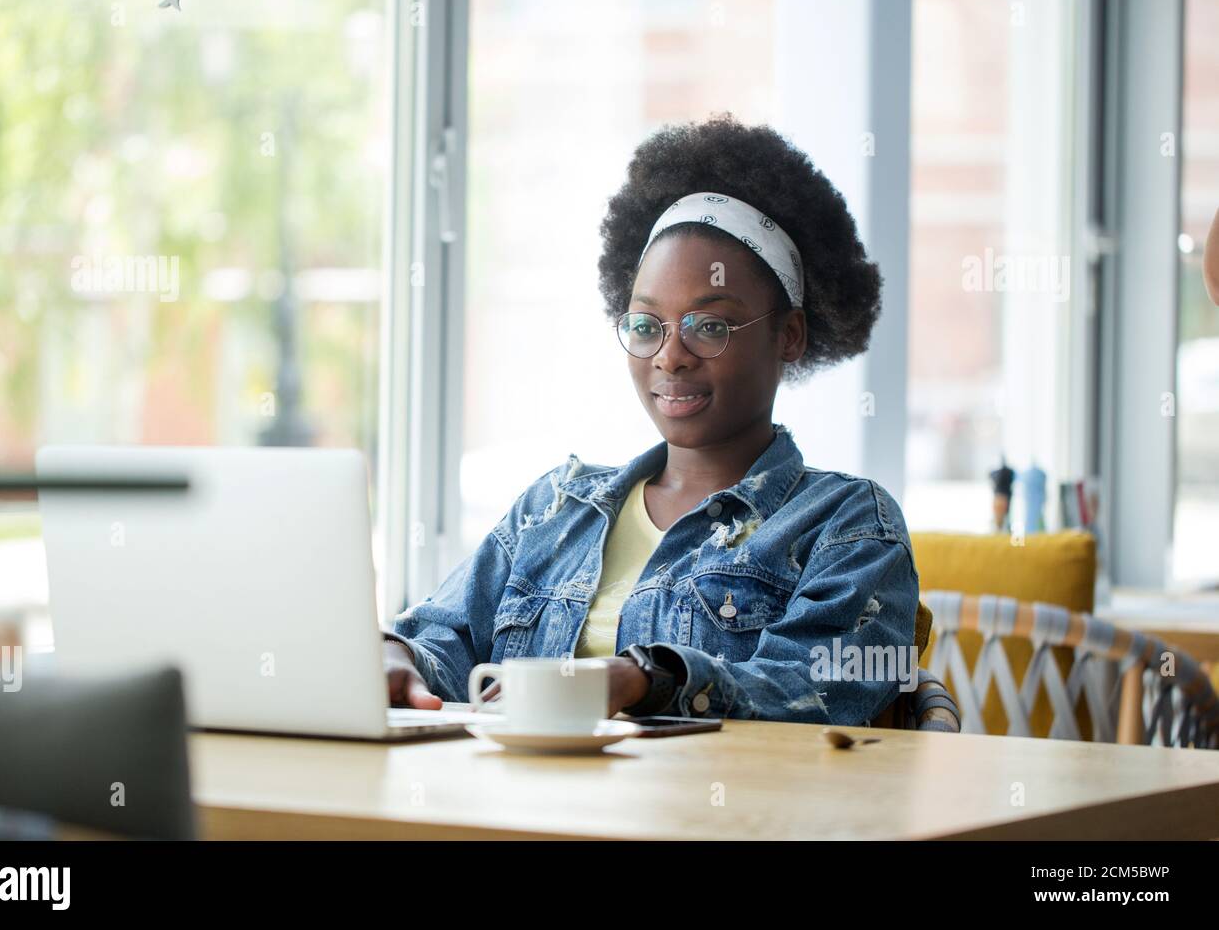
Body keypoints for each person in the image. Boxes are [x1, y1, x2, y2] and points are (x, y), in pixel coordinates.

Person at [383, 114, 919, 725]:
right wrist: (397, 658)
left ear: (789, 335)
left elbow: (826, 688)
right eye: (646, 325)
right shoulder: (554, 508)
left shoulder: (845, 523)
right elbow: (442, 641)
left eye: (709, 325)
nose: (670, 354)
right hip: (523, 811)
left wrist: (648, 681)